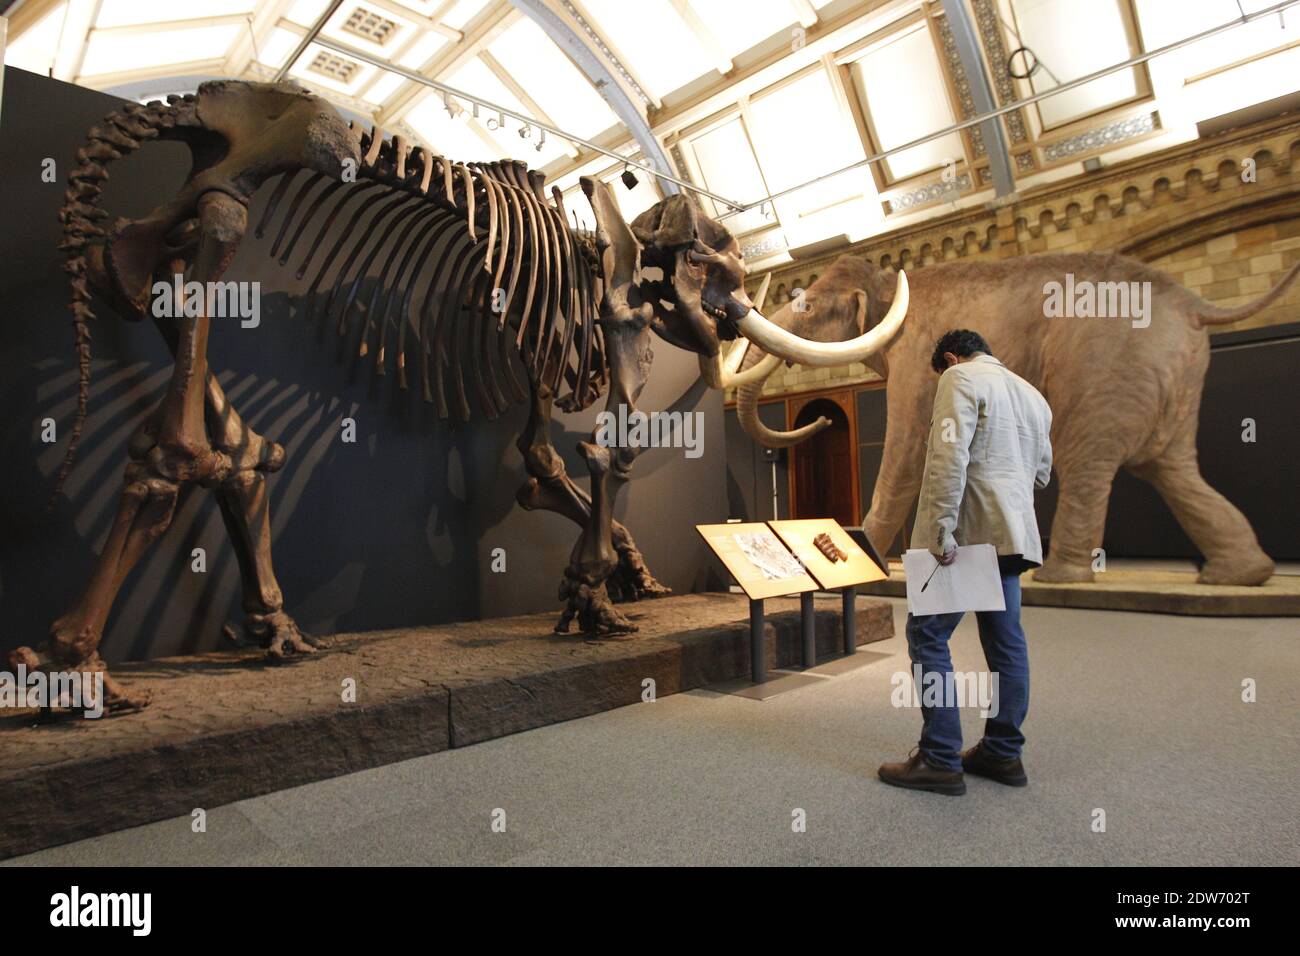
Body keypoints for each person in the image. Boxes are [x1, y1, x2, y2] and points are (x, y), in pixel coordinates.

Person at [878, 330, 1053, 796]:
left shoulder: (959, 377)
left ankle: (938, 758)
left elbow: (947, 457)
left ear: (951, 358)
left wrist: (939, 529)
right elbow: (1041, 473)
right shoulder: (1034, 396)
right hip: (1014, 537)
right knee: (1006, 642)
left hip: (967, 536)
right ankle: (1002, 752)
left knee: (927, 635)